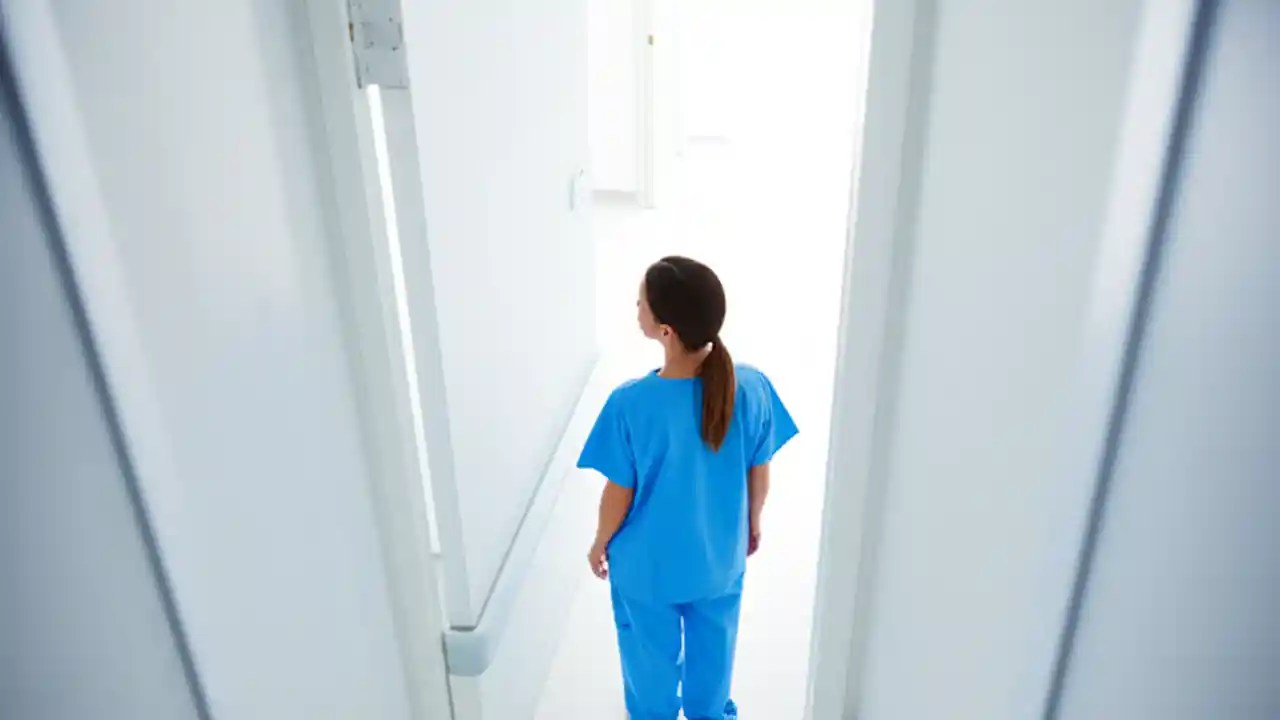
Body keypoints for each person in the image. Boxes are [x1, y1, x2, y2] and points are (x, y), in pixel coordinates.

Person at [578, 256, 798, 720]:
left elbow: (618, 495)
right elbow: (760, 471)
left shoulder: (630, 404)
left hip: (646, 571)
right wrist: (751, 522)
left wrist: (600, 542)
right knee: (713, 667)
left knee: (649, 672)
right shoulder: (752, 387)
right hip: (719, 560)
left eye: (642, 303)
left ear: (666, 331)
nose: (636, 308)